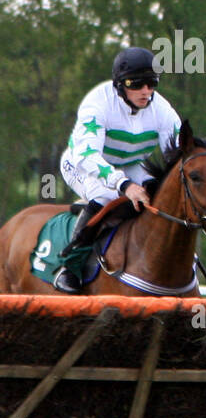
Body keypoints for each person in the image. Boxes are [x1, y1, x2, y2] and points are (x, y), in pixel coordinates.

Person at [50, 47, 182, 293]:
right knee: (107, 195)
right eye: (137, 84)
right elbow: (87, 155)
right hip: (83, 163)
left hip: (130, 163)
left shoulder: (162, 110)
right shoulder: (97, 104)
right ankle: (69, 266)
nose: (146, 92)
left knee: (161, 191)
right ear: (120, 85)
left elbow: (177, 154)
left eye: (152, 83)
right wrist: (124, 185)